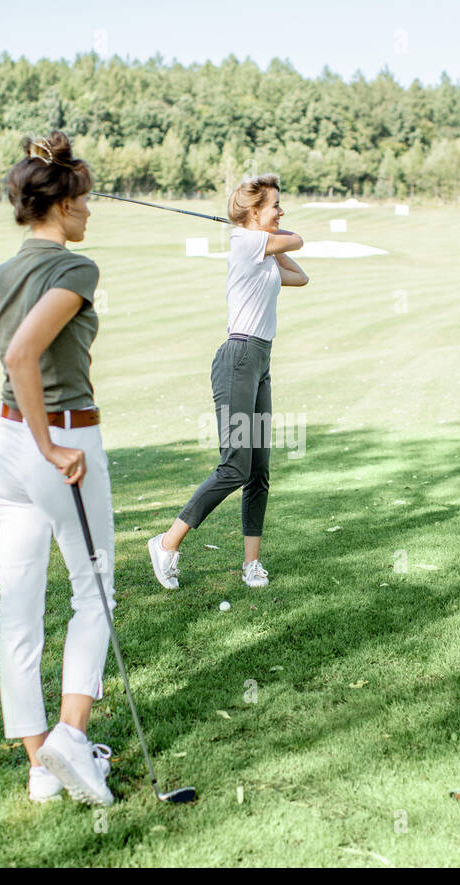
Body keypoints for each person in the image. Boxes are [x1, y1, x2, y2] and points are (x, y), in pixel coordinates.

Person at [0, 132, 116, 806]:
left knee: (18, 608)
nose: (90, 213)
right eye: (85, 200)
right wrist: (54, 447)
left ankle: (39, 770)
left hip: (4, 454)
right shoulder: (75, 269)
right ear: (62, 203)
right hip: (63, 447)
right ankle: (71, 741)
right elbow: (24, 353)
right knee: (94, 590)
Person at [147, 174, 308, 590]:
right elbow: (298, 241)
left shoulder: (259, 248)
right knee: (235, 465)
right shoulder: (243, 242)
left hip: (260, 362)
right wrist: (260, 232)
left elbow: (300, 276)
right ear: (255, 211)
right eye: (275, 205)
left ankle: (251, 565)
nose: (282, 212)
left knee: (258, 470)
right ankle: (166, 543)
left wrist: (266, 236)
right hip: (238, 359)